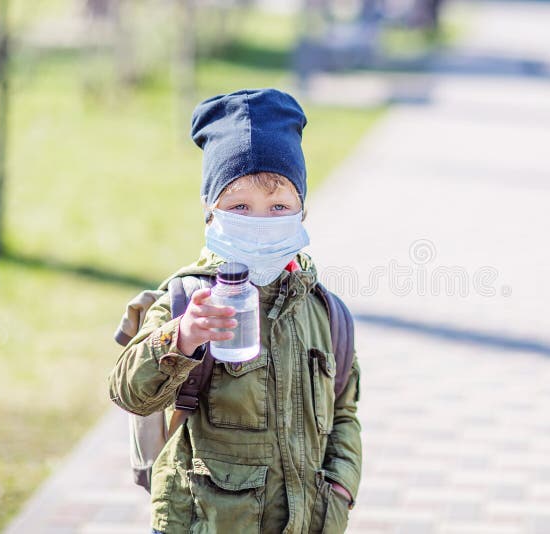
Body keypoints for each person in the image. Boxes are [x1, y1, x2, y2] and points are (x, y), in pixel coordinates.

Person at [107, 88, 362, 534]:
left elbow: (344, 412)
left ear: (301, 213)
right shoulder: (189, 300)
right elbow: (127, 390)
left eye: (278, 206)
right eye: (240, 206)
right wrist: (182, 337)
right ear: (211, 215)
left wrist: (340, 488)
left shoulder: (326, 313)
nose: (261, 222)